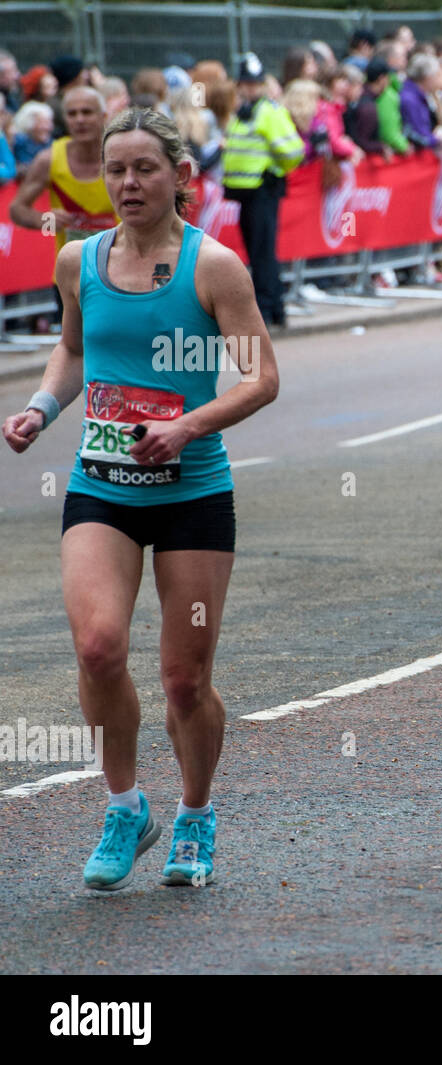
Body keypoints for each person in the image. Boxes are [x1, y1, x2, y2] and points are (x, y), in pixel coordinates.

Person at [1, 108, 278, 890]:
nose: (126, 182)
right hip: (103, 486)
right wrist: (42, 409)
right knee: (97, 647)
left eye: (144, 169)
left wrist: (187, 426)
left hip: (192, 490)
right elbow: (74, 348)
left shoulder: (213, 267)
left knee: (184, 678)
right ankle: (125, 806)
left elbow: (263, 377)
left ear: (180, 177)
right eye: (115, 169)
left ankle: (195, 814)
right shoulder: (77, 261)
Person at [9, 87, 116, 304]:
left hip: (121, 270)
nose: (79, 120)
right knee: (74, 339)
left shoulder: (120, 155)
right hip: (71, 273)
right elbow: (17, 209)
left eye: (87, 112)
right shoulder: (50, 159)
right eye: (72, 113)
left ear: (104, 116)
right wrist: (46, 221)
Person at [222, 53, 304, 329]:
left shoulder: (269, 111)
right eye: (245, 83)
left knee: (263, 254)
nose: (250, 88)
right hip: (245, 192)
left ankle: (270, 310)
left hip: (263, 191)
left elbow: (294, 150)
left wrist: (274, 171)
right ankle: (271, 309)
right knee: (258, 254)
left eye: (254, 84)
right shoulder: (243, 112)